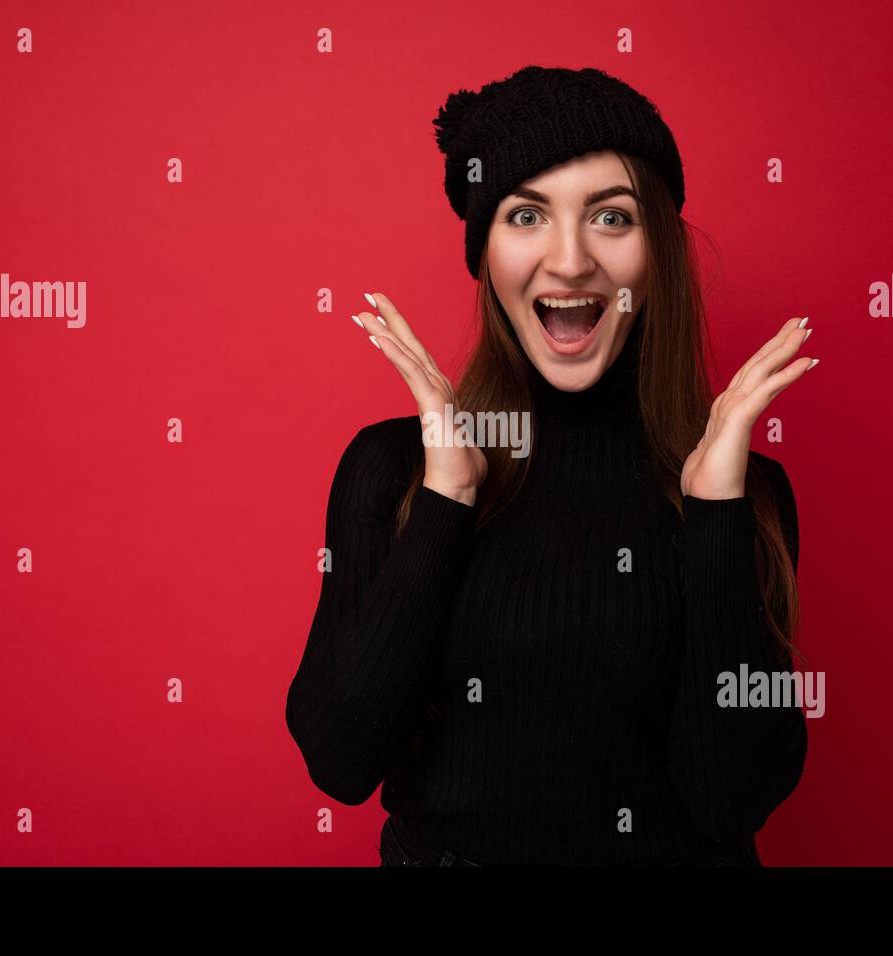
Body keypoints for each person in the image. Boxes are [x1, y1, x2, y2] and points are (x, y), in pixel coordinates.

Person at [286, 65, 818, 867]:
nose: (569, 261)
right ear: (487, 253)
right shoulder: (394, 470)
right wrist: (445, 500)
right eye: (527, 213)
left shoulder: (746, 494)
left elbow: (733, 797)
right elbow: (341, 758)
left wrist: (714, 515)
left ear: (659, 253)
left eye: (611, 216)